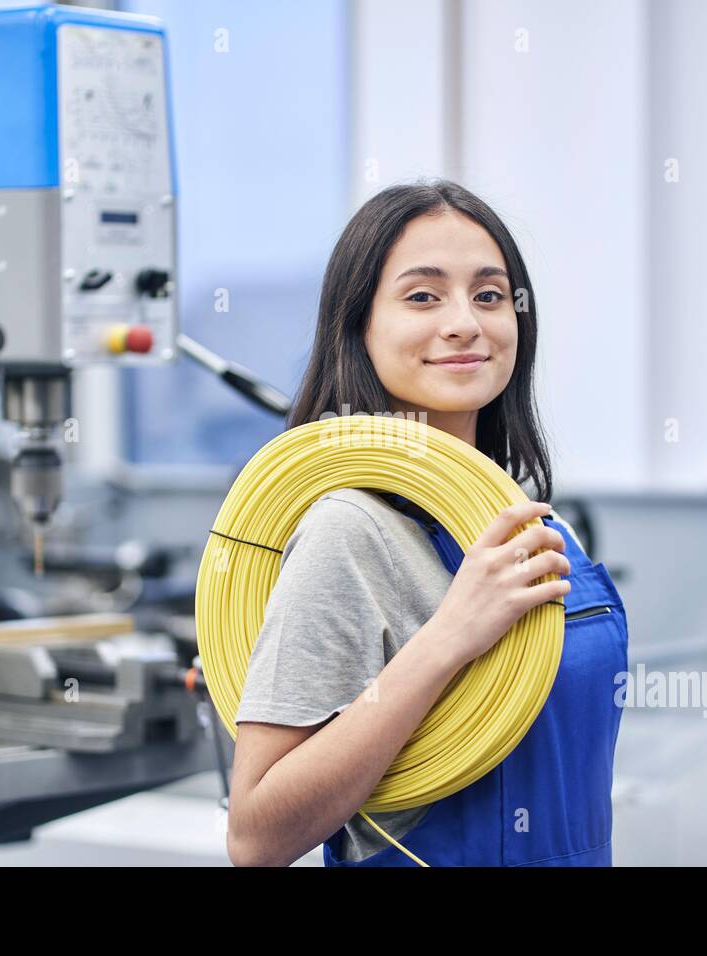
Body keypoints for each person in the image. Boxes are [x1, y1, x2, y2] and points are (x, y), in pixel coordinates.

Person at [226, 180, 628, 867]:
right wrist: (449, 637)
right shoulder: (348, 532)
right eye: (422, 296)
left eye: (490, 295)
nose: (464, 322)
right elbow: (256, 837)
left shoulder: (533, 521)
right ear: (358, 328)